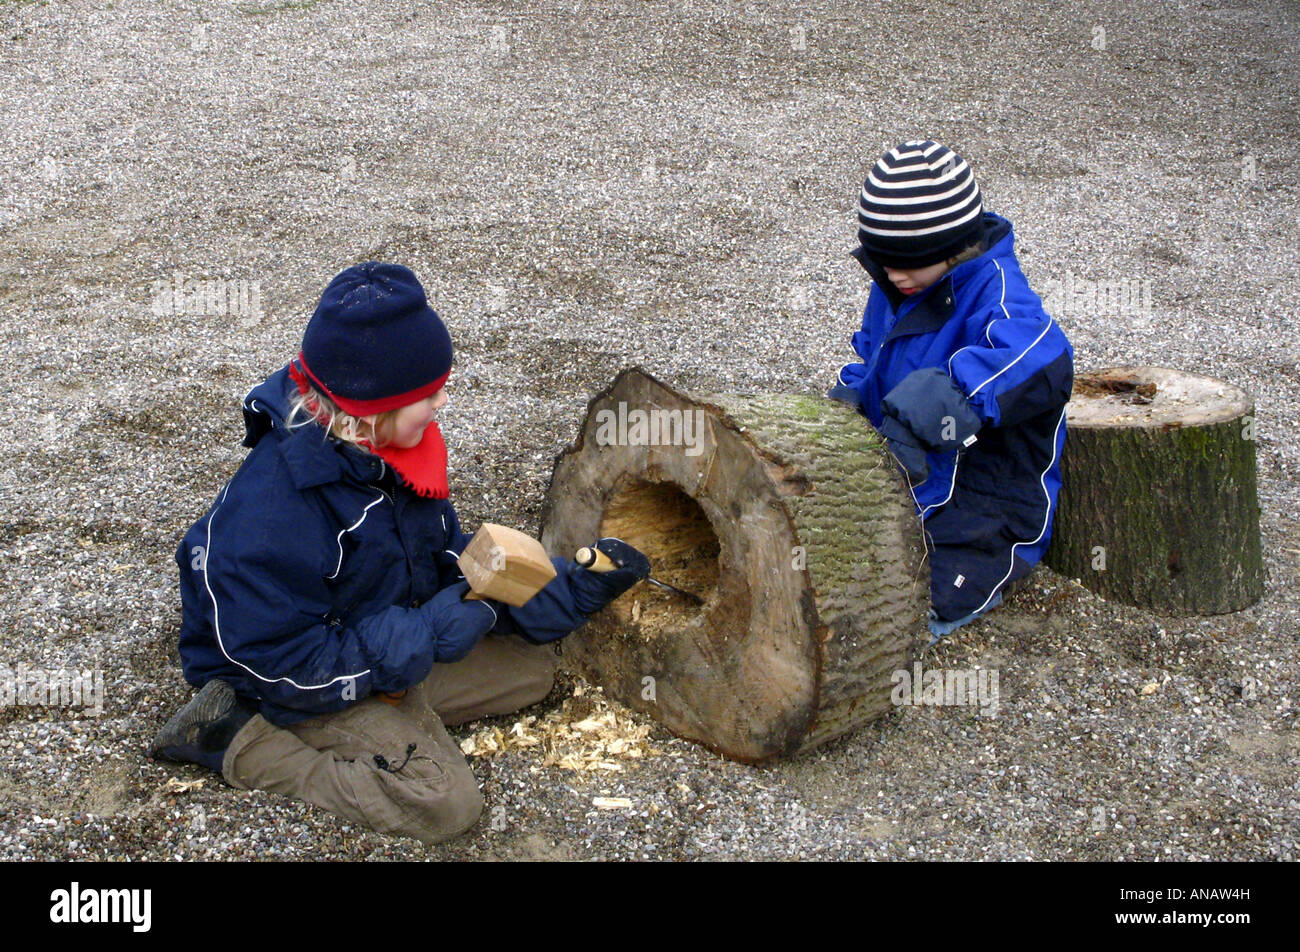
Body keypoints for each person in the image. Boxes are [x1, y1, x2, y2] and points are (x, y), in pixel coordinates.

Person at [149, 261, 649, 844]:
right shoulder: (273, 515)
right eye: (426, 393)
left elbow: (440, 558)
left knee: (533, 671)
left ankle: (395, 712)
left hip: (372, 636)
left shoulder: (389, 454)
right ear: (369, 408)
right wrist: (426, 637)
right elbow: (274, 658)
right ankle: (237, 741)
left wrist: (567, 585)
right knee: (442, 803)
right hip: (278, 678)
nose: (442, 400)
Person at [829, 140, 1074, 642]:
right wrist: (852, 400)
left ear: (953, 247)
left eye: (908, 261)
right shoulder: (901, 284)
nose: (894, 275)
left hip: (984, 495)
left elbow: (1044, 355)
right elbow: (874, 353)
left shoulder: (1000, 293)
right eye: (882, 261)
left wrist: (949, 395)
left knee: (926, 599)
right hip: (911, 478)